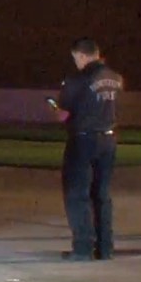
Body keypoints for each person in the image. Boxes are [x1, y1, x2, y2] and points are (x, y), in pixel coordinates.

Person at [55, 37, 123, 260]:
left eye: (76, 58)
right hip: (108, 138)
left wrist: (55, 108)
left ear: (82, 55)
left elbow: (64, 113)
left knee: (77, 194)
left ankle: (83, 248)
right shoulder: (115, 78)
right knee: (102, 194)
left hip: (83, 140)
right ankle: (105, 247)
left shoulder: (78, 79)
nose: (76, 62)